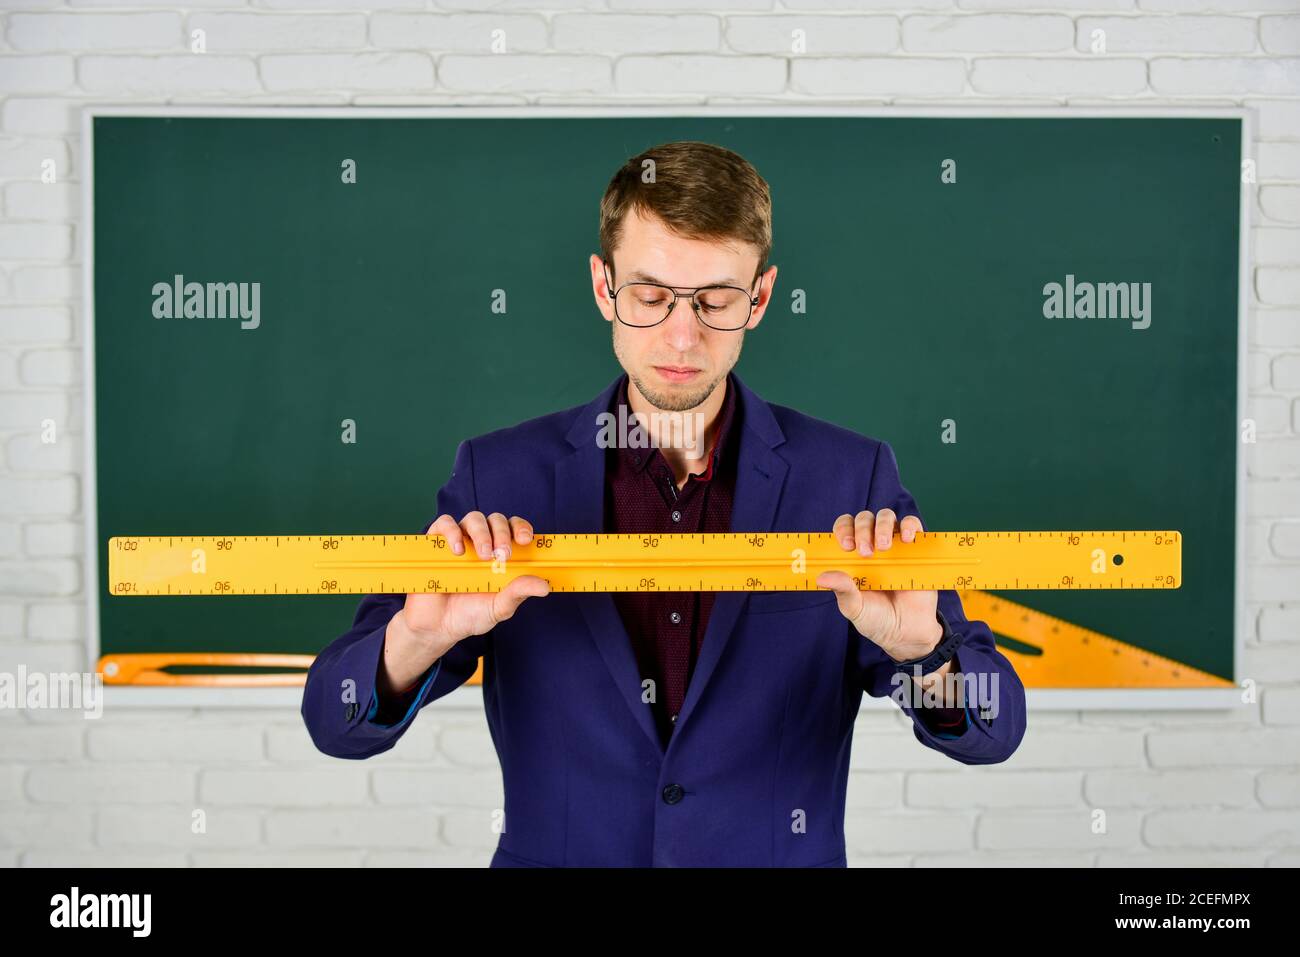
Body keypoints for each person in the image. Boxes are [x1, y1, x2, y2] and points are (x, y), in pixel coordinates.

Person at [301, 140, 1026, 867]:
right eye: (650, 297)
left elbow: (995, 729)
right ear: (601, 287)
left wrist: (925, 654)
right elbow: (335, 722)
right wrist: (415, 643)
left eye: (716, 299)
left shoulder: (848, 480)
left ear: (762, 297)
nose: (683, 335)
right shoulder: (500, 478)